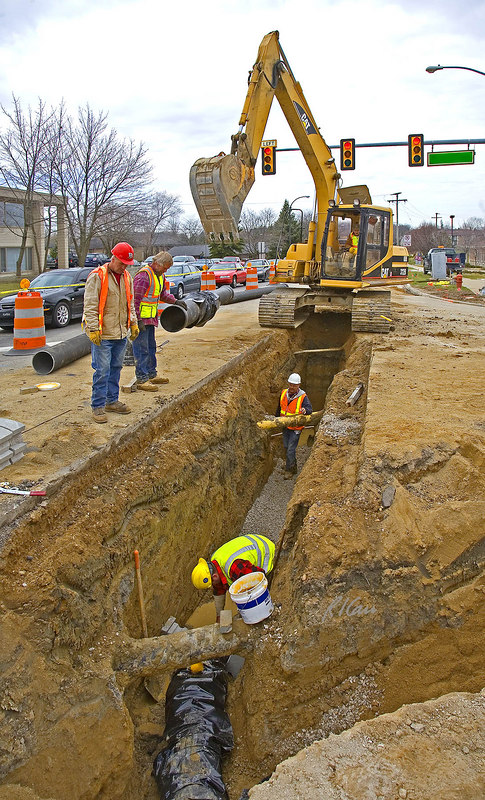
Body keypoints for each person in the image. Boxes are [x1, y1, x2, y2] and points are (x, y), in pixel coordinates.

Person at [83, 242, 139, 423]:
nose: (123, 267)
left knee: (116, 368)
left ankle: (111, 401)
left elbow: (129, 304)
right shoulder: (98, 277)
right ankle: (98, 406)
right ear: (113, 258)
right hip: (104, 334)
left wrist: (133, 323)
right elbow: (90, 306)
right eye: (121, 263)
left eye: (126, 264)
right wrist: (93, 329)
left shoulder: (127, 278)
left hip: (121, 333)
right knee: (102, 370)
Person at [191, 534, 275, 620]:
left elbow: (258, 576)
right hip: (254, 541)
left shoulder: (236, 568)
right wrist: (219, 615)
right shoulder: (214, 566)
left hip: (266, 552)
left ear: (214, 577)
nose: (212, 586)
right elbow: (218, 590)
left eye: (211, 584)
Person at [132, 251, 183, 391]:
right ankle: (142, 378)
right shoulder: (143, 276)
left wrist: (176, 301)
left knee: (151, 347)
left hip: (150, 319)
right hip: (141, 320)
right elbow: (134, 301)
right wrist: (137, 320)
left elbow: (162, 295)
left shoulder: (159, 276)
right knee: (141, 349)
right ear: (156, 263)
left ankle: (151, 374)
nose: (165, 271)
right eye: (164, 268)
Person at [275, 373, 312, 477]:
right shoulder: (283, 393)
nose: (292, 387)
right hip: (285, 426)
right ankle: (291, 465)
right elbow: (279, 408)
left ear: (298, 385)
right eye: (290, 384)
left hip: (296, 428)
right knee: (286, 447)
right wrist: (276, 420)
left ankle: (289, 470)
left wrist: (305, 410)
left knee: (291, 449)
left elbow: (309, 409)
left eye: (294, 385)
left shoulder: (303, 397)